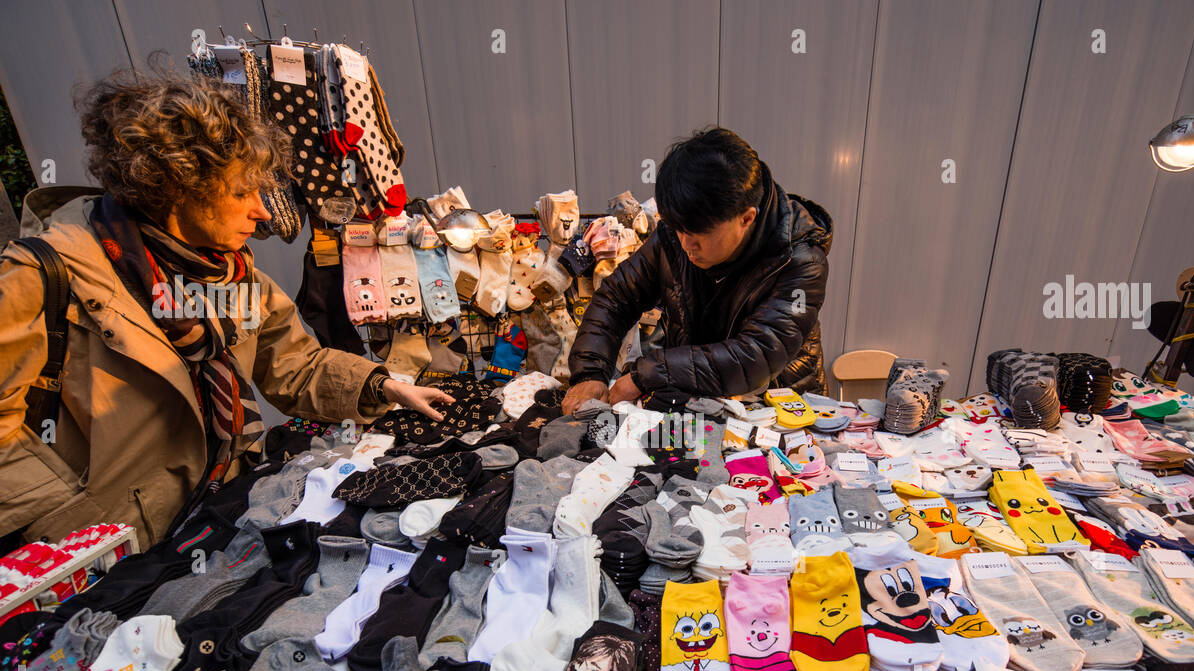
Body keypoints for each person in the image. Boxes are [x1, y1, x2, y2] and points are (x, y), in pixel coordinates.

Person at [0, 68, 453, 550]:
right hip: (108, 551)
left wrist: (382, 385)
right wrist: (67, 522)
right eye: (242, 193)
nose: (262, 211)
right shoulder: (44, 274)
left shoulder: (231, 274)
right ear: (177, 186)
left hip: (220, 513)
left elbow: (295, 366)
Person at [561, 127, 833, 415]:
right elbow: (617, 297)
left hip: (780, 413)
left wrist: (647, 374)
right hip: (698, 402)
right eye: (679, 230)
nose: (686, 246)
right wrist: (590, 372)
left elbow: (756, 355)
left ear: (746, 218)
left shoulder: (800, 259)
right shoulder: (675, 234)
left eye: (698, 235)